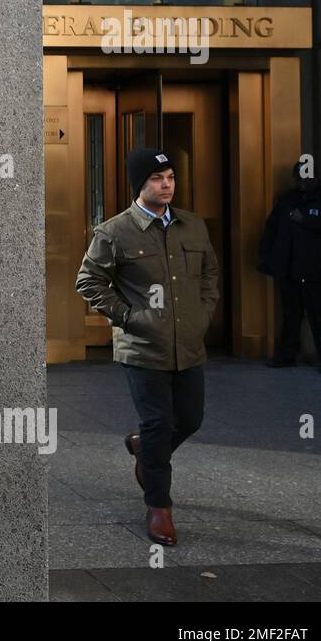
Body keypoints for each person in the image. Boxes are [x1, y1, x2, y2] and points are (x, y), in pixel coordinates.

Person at [75, 147, 220, 547]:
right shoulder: (114, 232)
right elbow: (88, 282)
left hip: (188, 344)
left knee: (189, 419)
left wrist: (204, 314)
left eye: (171, 177)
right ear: (141, 184)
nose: (167, 184)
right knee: (159, 423)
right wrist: (130, 317)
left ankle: (143, 448)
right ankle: (159, 507)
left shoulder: (193, 226)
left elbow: (209, 273)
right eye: (158, 179)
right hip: (143, 348)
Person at [259, 162, 321, 374]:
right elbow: (272, 228)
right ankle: (287, 355)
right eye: (299, 178)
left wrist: (306, 220)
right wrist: (267, 254)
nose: (303, 182)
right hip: (290, 270)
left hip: (319, 271)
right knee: (291, 316)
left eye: (307, 177)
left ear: (316, 177)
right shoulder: (287, 200)